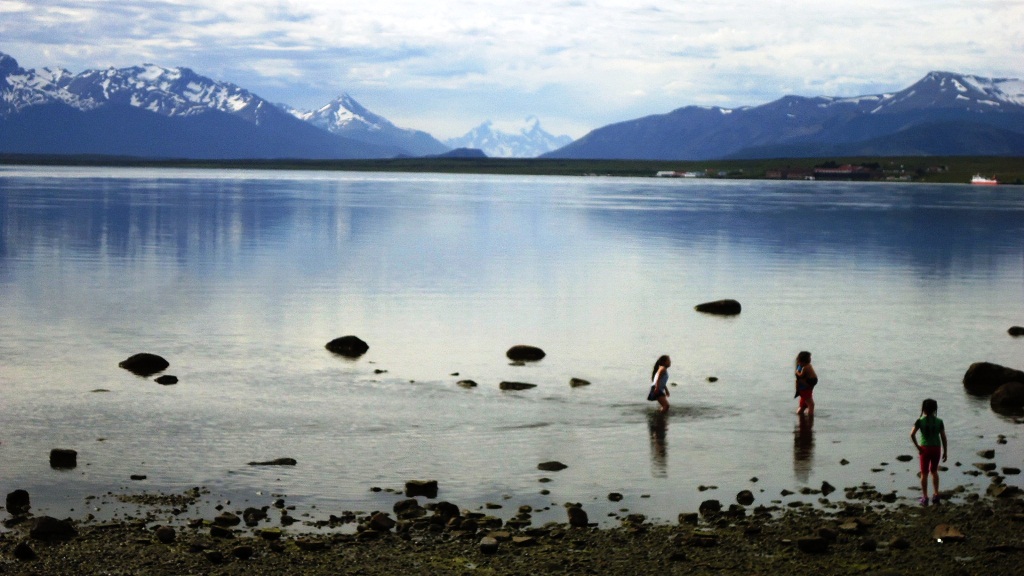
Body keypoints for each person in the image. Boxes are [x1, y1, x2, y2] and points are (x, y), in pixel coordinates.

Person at [911, 398, 947, 506]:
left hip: (925, 449)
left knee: (924, 473)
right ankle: (936, 495)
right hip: (936, 448)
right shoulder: (939, 421)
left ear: (924, 409)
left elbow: (912, 434)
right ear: (935, 409)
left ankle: (925, 497)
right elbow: (944, 437)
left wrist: (918, 447)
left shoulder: (919, 421)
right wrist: (945, 451)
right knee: (934, 471)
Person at [794, 351, 817, 416]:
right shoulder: (804, 367)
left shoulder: (806, 366)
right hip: (805, 389)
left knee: (803, 406)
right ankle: (810, 419)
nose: (810, 359)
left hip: (806, 389)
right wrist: (797, 372)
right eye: (809, 358)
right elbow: (800, 376)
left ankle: (800, 417)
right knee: (811, 405)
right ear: (804, 360)